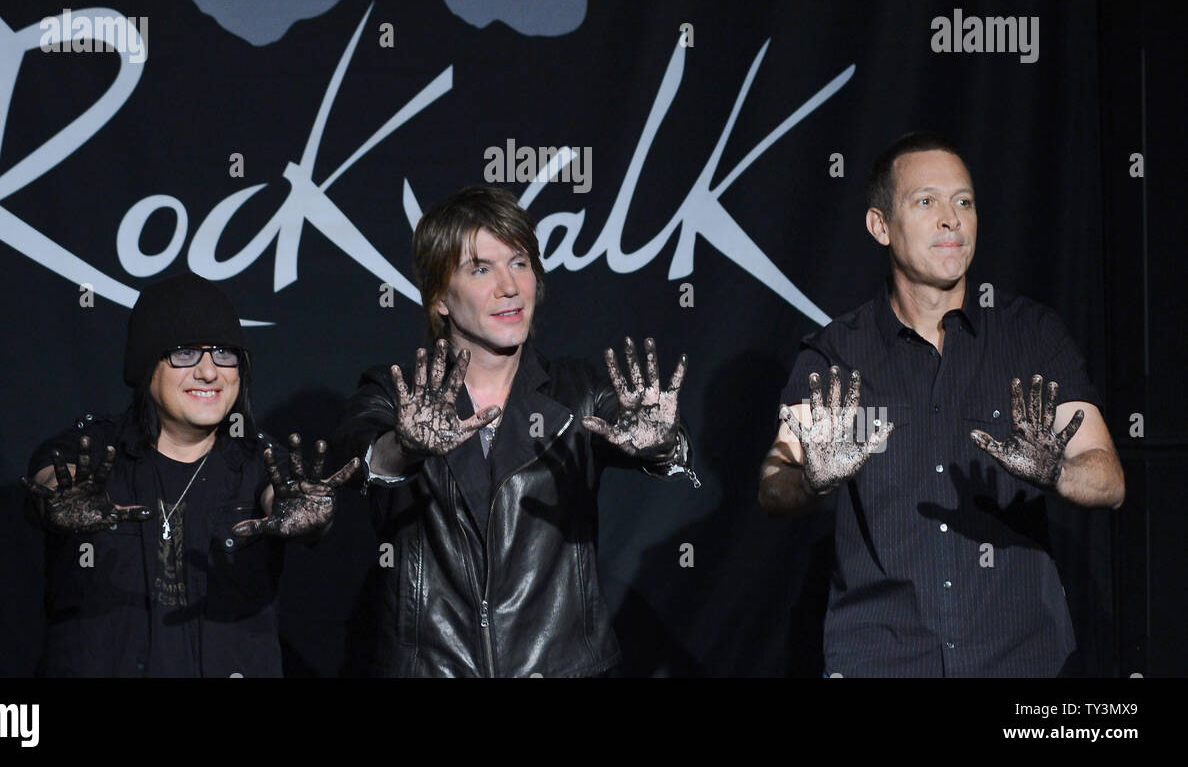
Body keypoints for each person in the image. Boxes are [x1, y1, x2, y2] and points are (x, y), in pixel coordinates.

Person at [758, 132, 1124, 677]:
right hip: (883, 657)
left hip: (1020, 658)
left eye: (964, 201)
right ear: (880, 225)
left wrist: (1058, 473)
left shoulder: (1033, 337)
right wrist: (812, 477)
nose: (952, 219)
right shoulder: (837, 353)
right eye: (926, 201)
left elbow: (1109, 481)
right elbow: (774, 483)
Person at [333, 185, 699, 677]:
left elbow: (661, 443)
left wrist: (663, 445)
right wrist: (404, 447)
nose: (509, 286)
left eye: (520, 263)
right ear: (440, 297)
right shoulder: (397, 394)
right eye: (481, 268)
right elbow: (356, 459)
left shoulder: (579, 392)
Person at [22, 271, 356, 677]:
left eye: (223, 353)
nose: (209, 371)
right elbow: (52, 482)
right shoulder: (91, 452)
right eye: (185, 353)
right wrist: (59, 500)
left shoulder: (264, 463)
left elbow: (284, 499)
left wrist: (305, 514)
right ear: (147, 365)